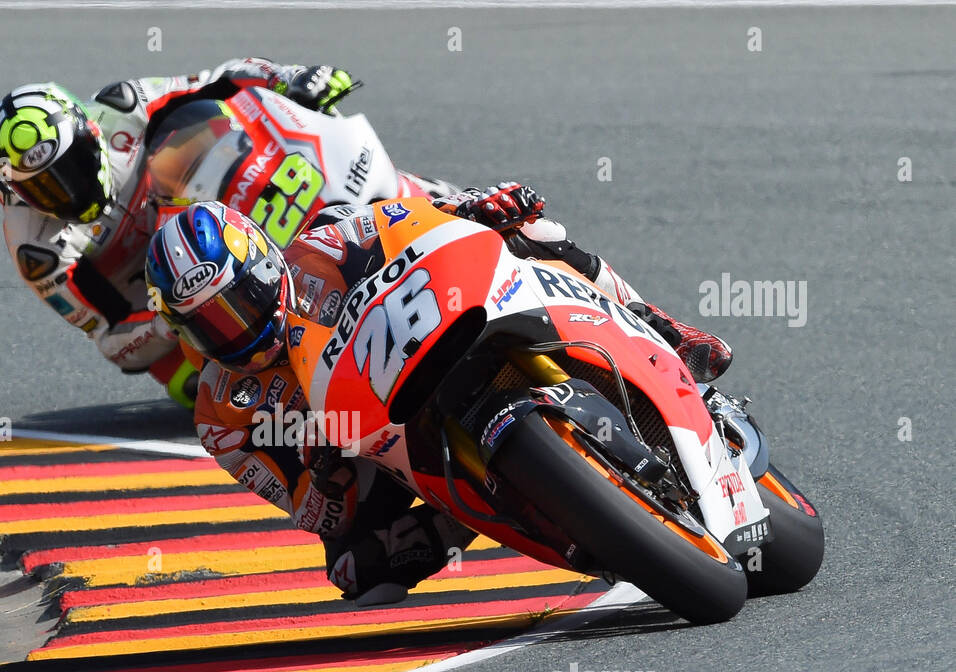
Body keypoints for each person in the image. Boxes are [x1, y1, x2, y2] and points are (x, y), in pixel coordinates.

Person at [144, 186, 733, 603]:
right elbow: (315, 514)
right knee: (355, 570)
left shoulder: (326, 242)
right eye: (211, 324)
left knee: (528, 228)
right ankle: (486, 515)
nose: (237, 327)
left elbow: (417, 218)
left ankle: (661, 325)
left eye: (239, 300)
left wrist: (476, 207)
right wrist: (324, 469)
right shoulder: (223, 416)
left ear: (264, 264)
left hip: (434, 329)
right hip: (376, 447)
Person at [0, 61, 360, 408]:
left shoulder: (124, 106)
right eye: (44, 189)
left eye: (74, 167)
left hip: (208, 217)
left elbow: (220, 80)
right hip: (172, 314)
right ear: (17, 191)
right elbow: (112, 340)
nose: (69, 191)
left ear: (91, 132)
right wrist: (169, 318)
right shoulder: (38, 251)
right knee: (219, 392)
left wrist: (289, 78)